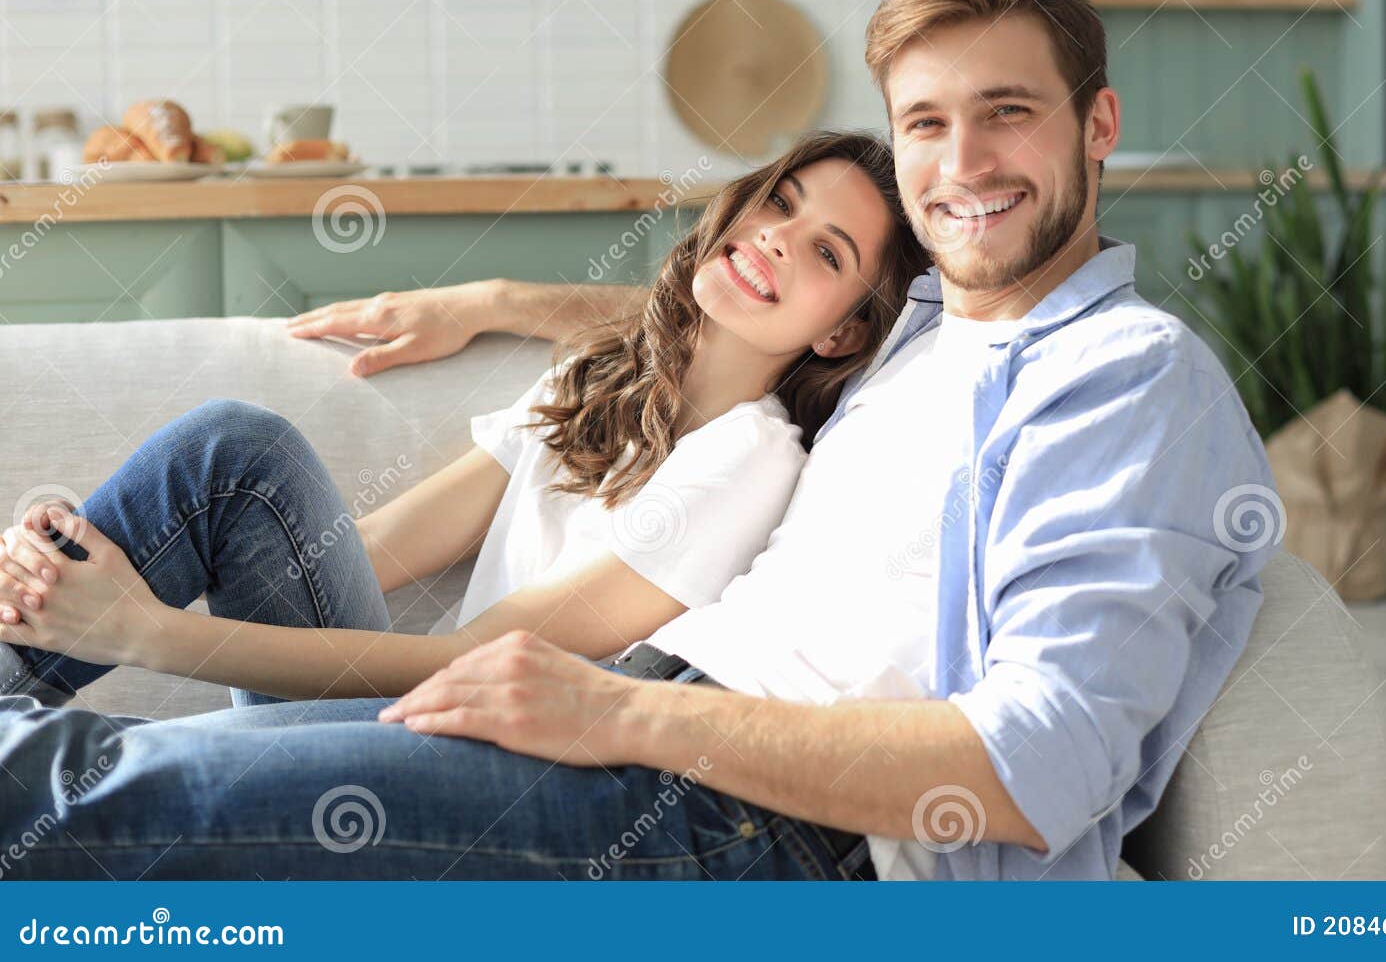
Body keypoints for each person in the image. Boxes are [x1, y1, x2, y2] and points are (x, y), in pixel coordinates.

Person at [0, 0, 1279, 881]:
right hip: (643, 743)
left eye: (1009, 113)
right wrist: (494, 298)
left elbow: (1036, 766)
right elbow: (727, 317)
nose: (964, 165)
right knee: (219, 484)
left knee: (84, 798)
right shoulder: (928, 329)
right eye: (925, 126)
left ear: (1097, 125)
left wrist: (617, 711)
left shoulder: (1124, 377)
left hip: (757, 829)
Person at [0, 131, 923, 706]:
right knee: (231, 457)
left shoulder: (752, 460)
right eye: (780, 202)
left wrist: (145, 633)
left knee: (243, 451)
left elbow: (479, 655)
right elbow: (360, 552)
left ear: (843, 330)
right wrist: (121, 561)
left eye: (824, 251)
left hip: (459, 753)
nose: (773, 238)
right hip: (390, 710)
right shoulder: (602, 376)